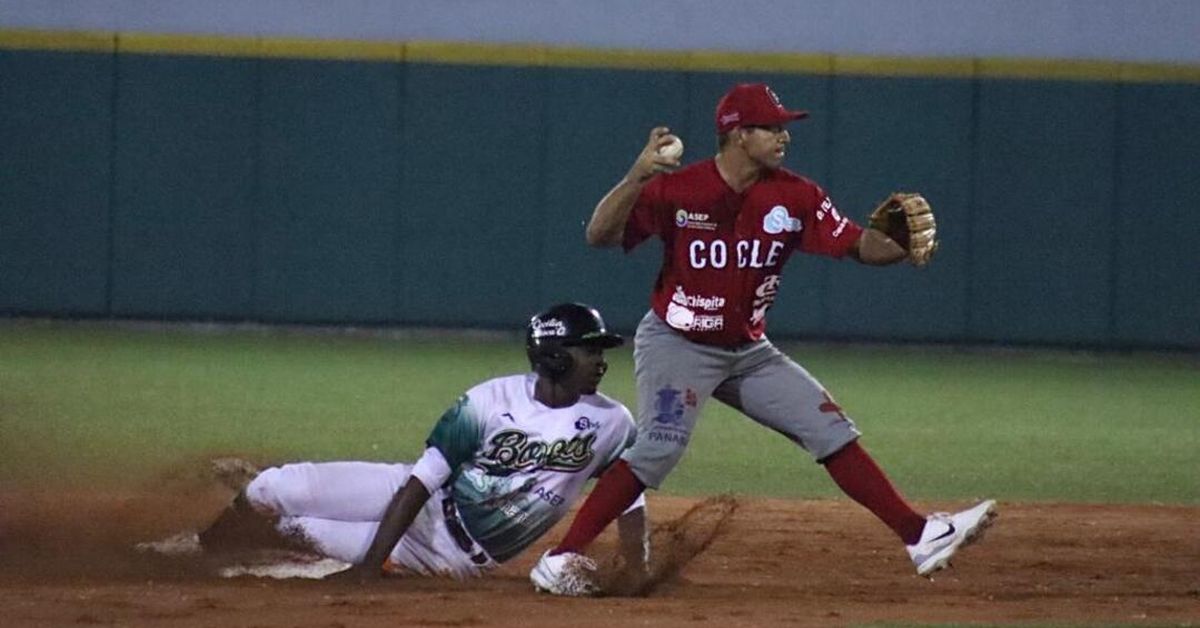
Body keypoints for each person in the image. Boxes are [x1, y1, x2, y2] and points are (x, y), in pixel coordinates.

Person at [530, 83, 996, 595]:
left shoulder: (796, 195)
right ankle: (560, 557)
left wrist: (899, 246)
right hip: (677, 343)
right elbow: (599, 235)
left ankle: (919, 535)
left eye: (783, 127)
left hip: (748, 353)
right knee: (658, 448)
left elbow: (859, 246)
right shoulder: (680, 190)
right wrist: (637, 176)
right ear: (737, 133)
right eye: (772, 127)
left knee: (831, 430)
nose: (783, 137)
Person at [168, 303, 648, 584]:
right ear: (554, 356)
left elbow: (628, 492)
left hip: (448, 557)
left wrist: (637, 566)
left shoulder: (610, 422)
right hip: (418, 498)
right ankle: (198, 546)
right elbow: (421, 480)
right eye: (590, 349)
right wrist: (370, 568)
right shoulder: (489, 400)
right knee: (273, 487)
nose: (600, 360)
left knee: (294, 529)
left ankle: (270, 551)